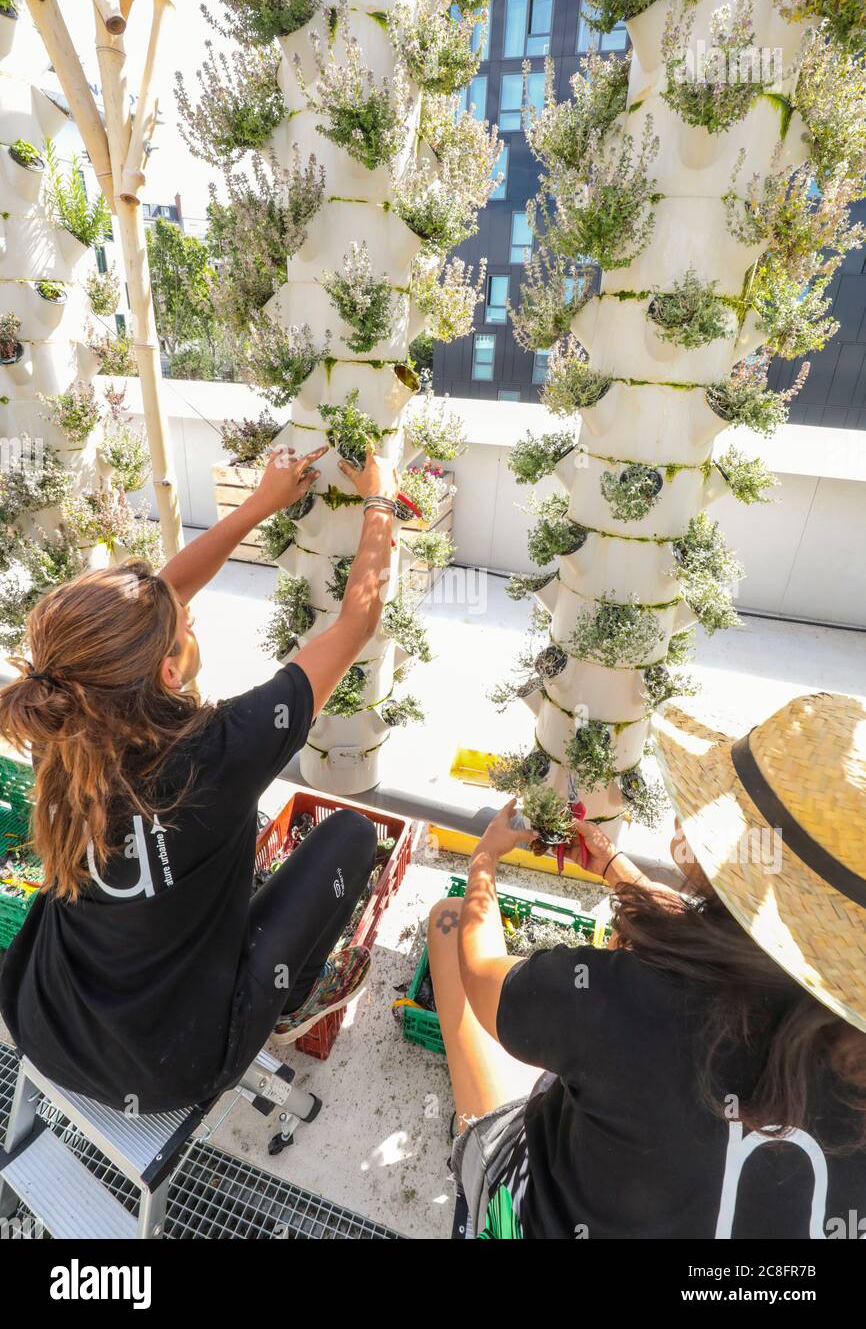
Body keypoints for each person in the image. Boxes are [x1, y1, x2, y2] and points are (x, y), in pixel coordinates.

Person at [0, 444, 401, 1115]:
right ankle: (289, 997)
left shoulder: (63, 720)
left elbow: (150, 608)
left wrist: (260, 504)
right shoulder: (220, 751)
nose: (187, 610)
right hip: (174, 1067)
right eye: (181, 623)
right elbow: (358, 619)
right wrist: (382, 497)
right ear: (165, 671)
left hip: (45, 1020)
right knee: (354, 834)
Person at [428, 692, 866, 1239]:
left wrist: (485, 862)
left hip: (536, 1221)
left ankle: (476, 1175)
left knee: (449, 924)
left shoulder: (628, 1002)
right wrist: (620, 875)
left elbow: (483, 970)